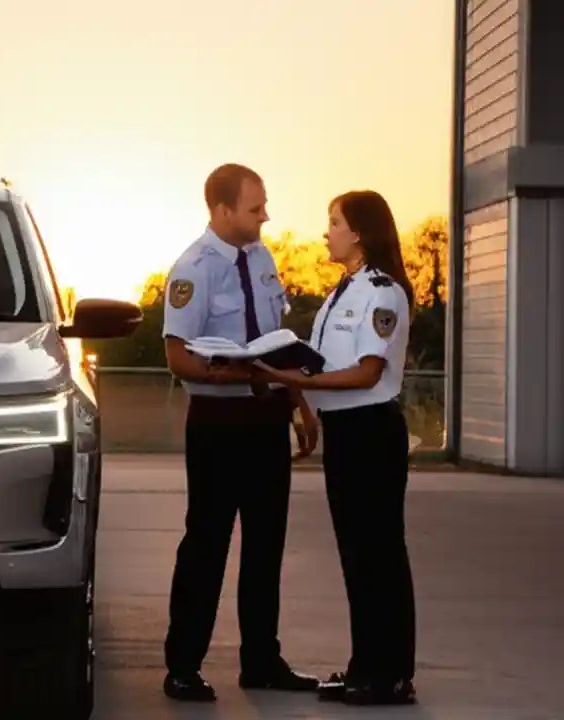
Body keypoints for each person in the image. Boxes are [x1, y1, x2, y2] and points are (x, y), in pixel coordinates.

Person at [159, 163, 320, 702]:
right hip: (218, 428)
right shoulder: (194, 269)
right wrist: (222, 372)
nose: (265, 215)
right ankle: (182, 665)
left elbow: (275, 339)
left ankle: (262, 662)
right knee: (206, 545)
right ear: (222, 210)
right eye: (255, 208)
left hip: (266, 423)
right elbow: (177, 356)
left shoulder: (263, 257)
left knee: (265, 548)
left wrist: (299, 403)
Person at [253, 189, 418, 706]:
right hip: (346, 434)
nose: (327, 232)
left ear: (360, 232)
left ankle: (391, 676)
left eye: (335, 222)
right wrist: (294, 381)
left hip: (371, 431)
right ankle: (363, 667)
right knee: (356, 555)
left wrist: (291, 378)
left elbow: (368, 371)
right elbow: (325, 363)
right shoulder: (339, 294)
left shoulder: (382, 292)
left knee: (380, 554)